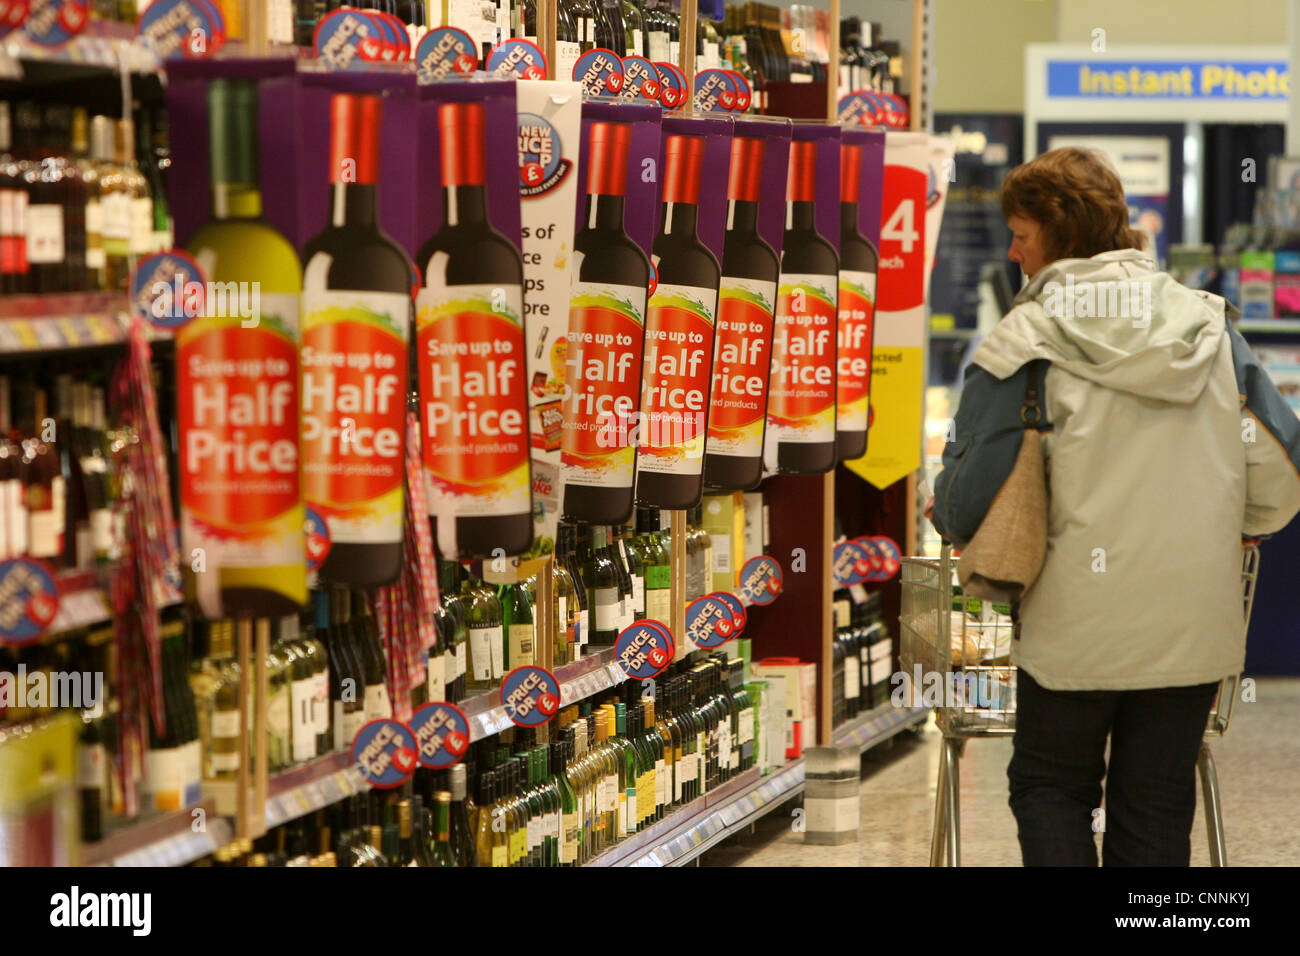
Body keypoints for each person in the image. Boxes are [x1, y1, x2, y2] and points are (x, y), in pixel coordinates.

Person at [928, 147, 1300, 866]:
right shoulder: (1211, 327)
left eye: (1021, 234)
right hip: (1192, 623)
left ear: (1058, 237)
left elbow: (966, 503)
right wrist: (1243, 524)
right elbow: (1279, 472)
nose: (1012, 252)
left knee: (1051, 788)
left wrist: (941, 503)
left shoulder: (1022, 342)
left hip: (1074, 627)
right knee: (1156, 805)